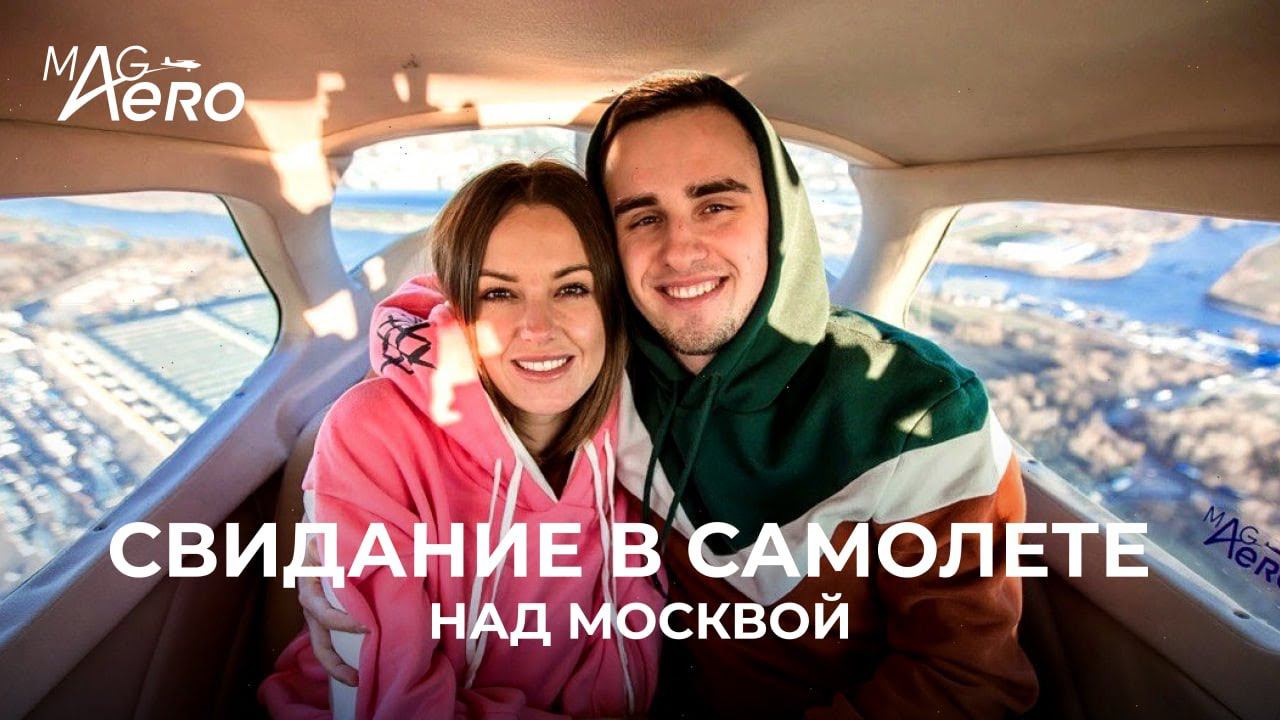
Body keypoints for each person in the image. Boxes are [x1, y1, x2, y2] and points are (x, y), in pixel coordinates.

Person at [304, 72, 1040, 719]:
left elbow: (967, 681)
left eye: (715, 205)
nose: (680, 250)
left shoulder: (920, 413)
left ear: (780, 217)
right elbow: (475, 311)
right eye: (643, 216)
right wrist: (347, 561)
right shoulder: (604, 379)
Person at [261, 161, 663, 719]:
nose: (538, 327)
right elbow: (390, 701)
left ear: (611, 305)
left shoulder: (635, 425)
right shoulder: (372, 431)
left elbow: (627, 633)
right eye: (499, 294)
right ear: (457, 308)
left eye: (572, 287)